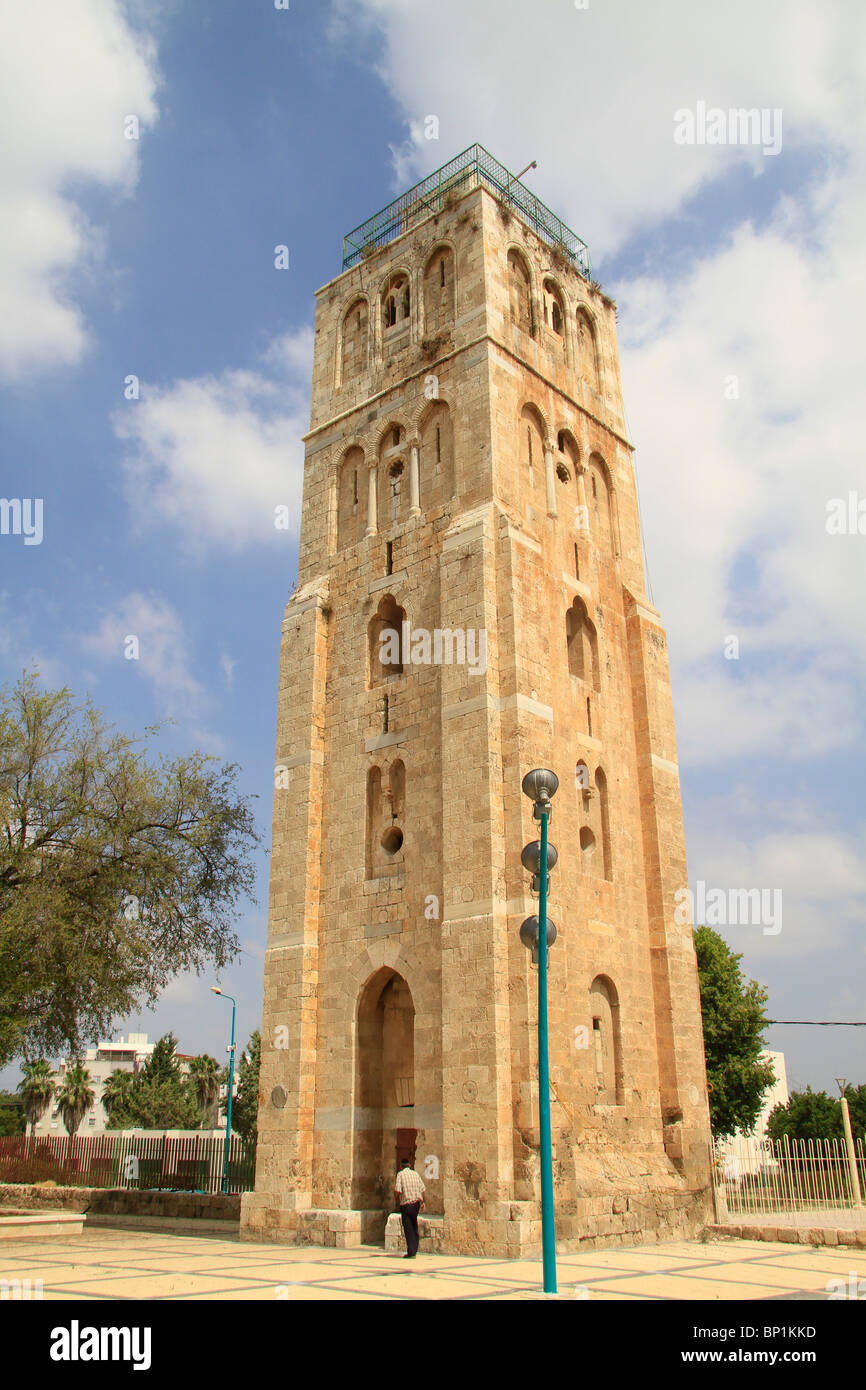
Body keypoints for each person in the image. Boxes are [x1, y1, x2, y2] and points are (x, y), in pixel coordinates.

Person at [394, 1158, 426, 1258]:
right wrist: (422, 1202)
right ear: (410, 1165)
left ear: (401, 1166)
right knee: (414, 1225)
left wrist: (396, 1199)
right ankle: (415, 1249)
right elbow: (423, 1189)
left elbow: (398, 1190)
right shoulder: (415, 1174)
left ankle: (411, 1251)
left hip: (406, 1204)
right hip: (416, 1204)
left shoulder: (400, 1174)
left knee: (408, 1228)